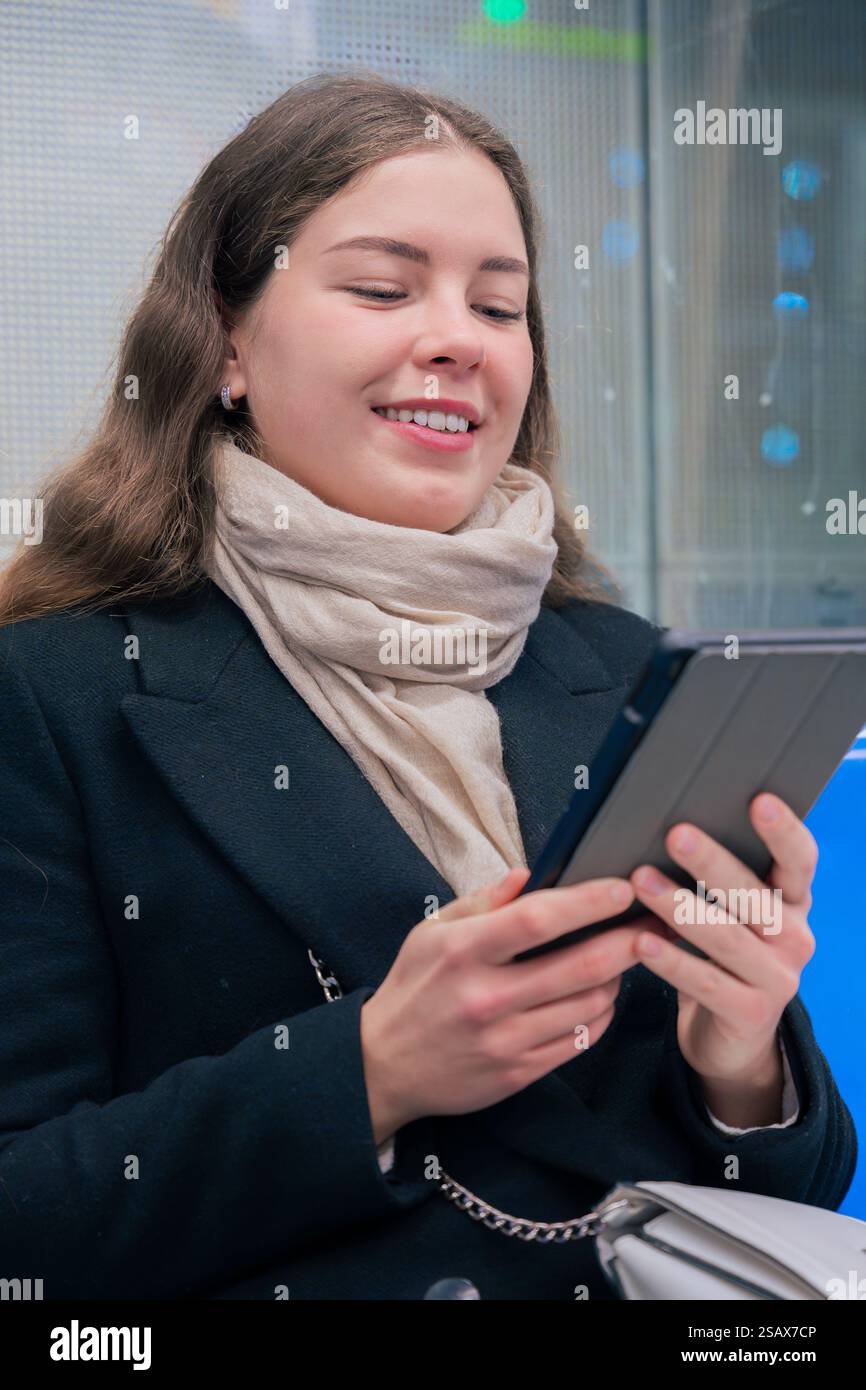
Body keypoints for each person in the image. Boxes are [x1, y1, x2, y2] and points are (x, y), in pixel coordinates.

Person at [0, 71, 855, 1302]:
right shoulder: (54, 694)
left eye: (498, 304)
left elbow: (790, 1196)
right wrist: (368, 1071)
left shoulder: (618, 664)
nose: (458, 337)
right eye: (382, 288)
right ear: (227, 346)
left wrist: (741, 1057)